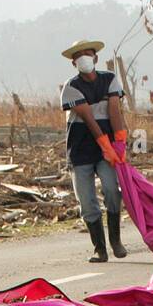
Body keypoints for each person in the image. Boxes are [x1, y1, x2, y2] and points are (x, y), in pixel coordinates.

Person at [59, 39, 128, 262]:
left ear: (96, 58)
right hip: (80, 150)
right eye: (79, 57)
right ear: (73, 63)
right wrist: (107, 146)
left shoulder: (109, 79)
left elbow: (115, 111)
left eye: (88, 55)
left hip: (105, 149)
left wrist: (120, 142)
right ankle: (100, 248)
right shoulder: (71, 88)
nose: (84, 60)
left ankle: (116, 241)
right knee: (87, 201)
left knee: (111, 190)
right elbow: (89, 118)